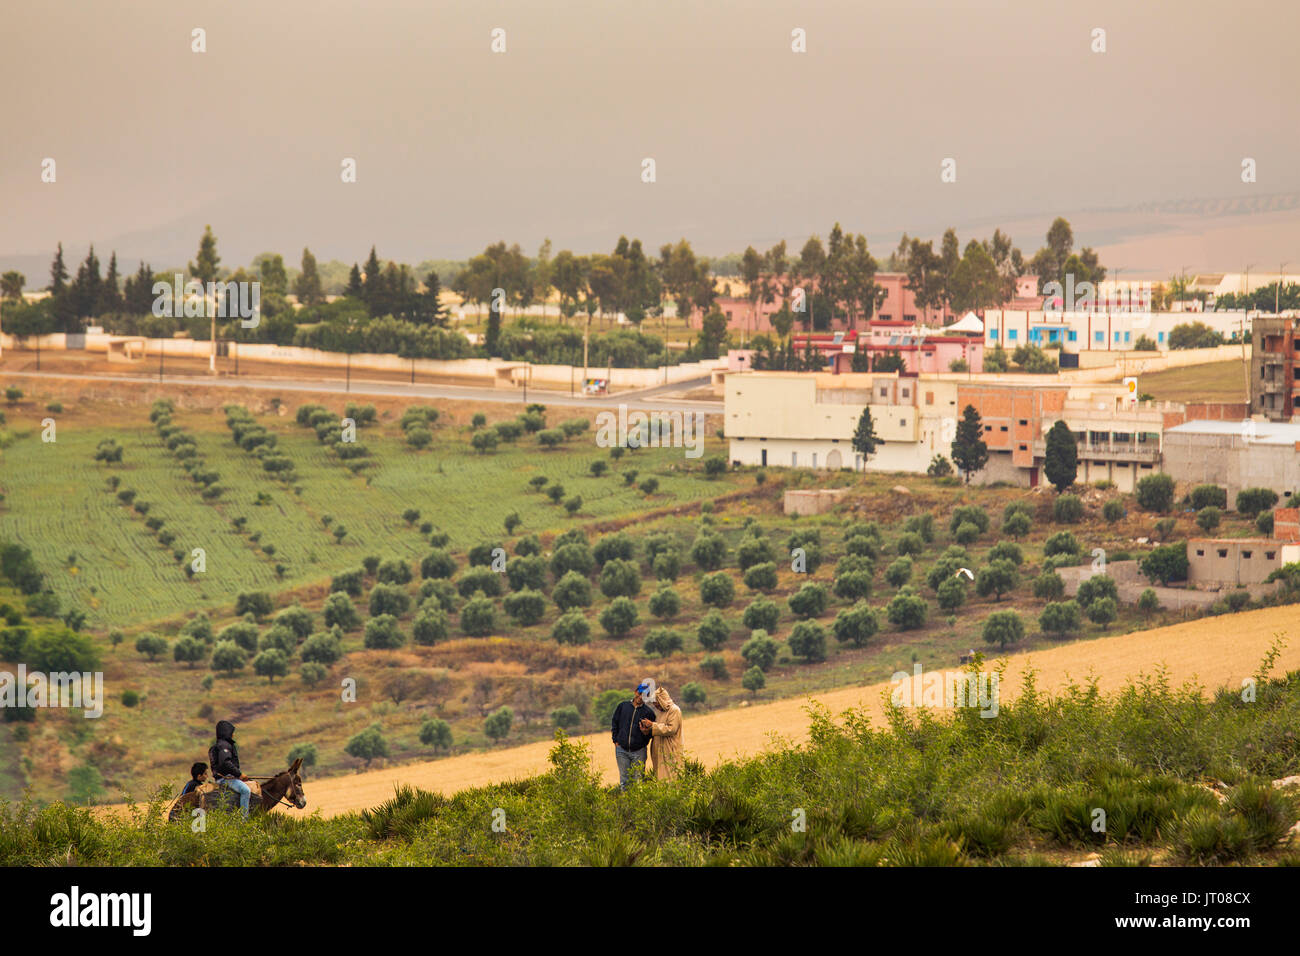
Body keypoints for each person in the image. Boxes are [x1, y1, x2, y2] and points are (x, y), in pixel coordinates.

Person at [610, 681, 657, 790]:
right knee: (624, 780)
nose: (641, 697)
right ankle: (625, 805)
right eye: (640, 694)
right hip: (622, 750)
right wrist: (616, 741)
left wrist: (646, 733)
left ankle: (638, 804)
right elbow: (615, 723)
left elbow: (652, 732)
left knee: (638, 781)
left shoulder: (649, 713)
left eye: (645, 695)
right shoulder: (623, 706)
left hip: (639, 751)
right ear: (635, 692)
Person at [208, 720, 252, 817]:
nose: (233, 735)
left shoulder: (220, 745)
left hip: (224, 778)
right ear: (226, 732)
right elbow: (225, 763)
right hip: (225, 779)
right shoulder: (224, 745)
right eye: (232, 733)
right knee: (246, 790)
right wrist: (239, 774)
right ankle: (244, 820)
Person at [640, 685, 683, 781]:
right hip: (659, 749)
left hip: (670, 749)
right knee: (660, 777)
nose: (656, 706)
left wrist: (652, 725)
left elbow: (671, 729)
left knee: (671, 776)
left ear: (662, 700)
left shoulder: (674, 710)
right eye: (655, 705)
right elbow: (658, 728)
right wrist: (648, 731)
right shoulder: (660, 712)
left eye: (657, 704)